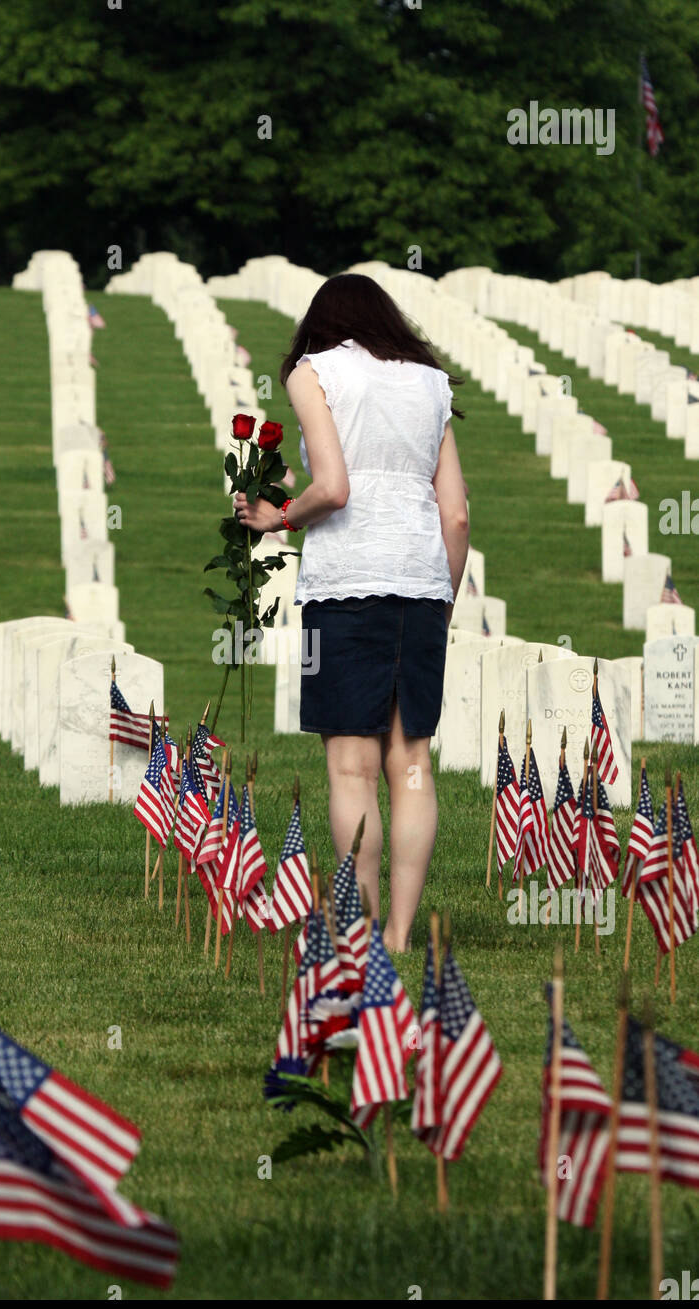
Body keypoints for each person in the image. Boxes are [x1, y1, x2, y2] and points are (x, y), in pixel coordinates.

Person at [234, 273, 468, 952]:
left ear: (321, 324)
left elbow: (331, 488)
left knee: (351, 768)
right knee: (412, 763)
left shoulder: (315, 372)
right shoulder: (430, 383)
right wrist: (441, 599)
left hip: (347, 585)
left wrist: (278, 517)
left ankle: (358, 933)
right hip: (422, 586)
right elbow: (455, 513)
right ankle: (399, 932)